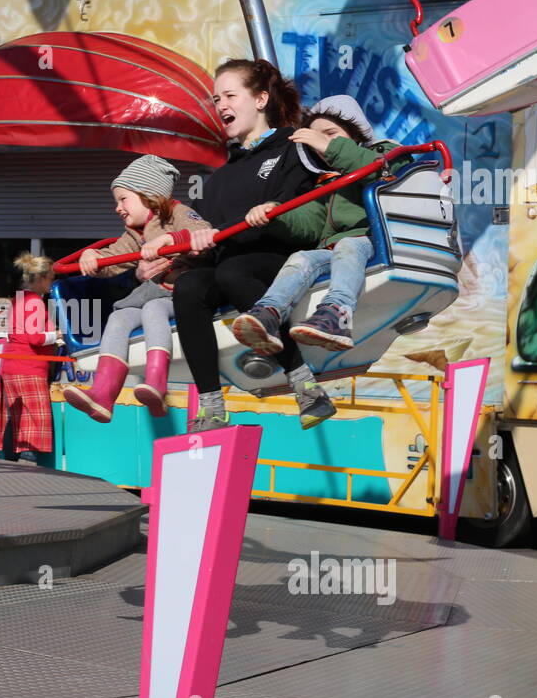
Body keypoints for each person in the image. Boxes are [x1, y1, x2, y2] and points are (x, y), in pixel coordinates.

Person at [170, 58, 335, 433]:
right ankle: (211, 405)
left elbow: (305, 219)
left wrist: (274, 210)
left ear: (261, 99)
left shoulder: (293, 149)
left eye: (230, 95)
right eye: (216, 99)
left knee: (233, 271)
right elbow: (207, 235)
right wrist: (193, 245)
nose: (221, 105)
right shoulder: (220, 177)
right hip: (232, 264)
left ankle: (305, 385)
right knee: (190, 286)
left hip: (279, 259)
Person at [233, 95, 397, 354]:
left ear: (354, 134)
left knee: (347, 245)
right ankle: (269, 314)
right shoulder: (327, 183)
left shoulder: (386, 153)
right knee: (302, 258)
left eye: (331, 133)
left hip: (376, 238)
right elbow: (309, 223)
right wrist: (276, 214)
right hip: (336, 249)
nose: (322, 144)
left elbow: (382, 175)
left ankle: (338, 313)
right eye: (316, 139)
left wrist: (332, 147)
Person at [63, 155, 210, 422]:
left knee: (153, 309)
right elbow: (113, 260)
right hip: (154, 291)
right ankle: (103, 394)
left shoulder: (176, 212)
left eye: (123, 199)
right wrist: (92, 256)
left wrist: (168, 239)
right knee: (118, 317)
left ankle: (156, 381)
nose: (117, 208)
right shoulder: (134, 233)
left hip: (177, 291)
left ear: (149, 195)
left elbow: (202, 231)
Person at [0, 253, 59, 464]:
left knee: (14, 418)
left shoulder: (18, 299)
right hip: (29, 367)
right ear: (40, 278)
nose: (53, 283)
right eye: (51, 278)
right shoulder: (34, 302)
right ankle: (27, 464)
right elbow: (35, 337)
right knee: (33, 419)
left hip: (12, 364)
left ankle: (9, 463)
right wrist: (57, 335)